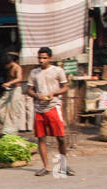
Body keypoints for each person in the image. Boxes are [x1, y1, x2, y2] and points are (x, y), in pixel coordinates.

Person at [27, 47, 75, 176]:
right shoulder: (34, 73)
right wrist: (37, 95)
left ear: (50, 58)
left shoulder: (57, 71)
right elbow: (29, 90)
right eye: (40, 58)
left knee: (60, 137)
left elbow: (65, 87)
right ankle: (46, 167)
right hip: (39, 108)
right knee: (41, 138)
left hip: (53, 106)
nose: (41, 60)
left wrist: (54, 93)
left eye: (44, 58)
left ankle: (63, 165)